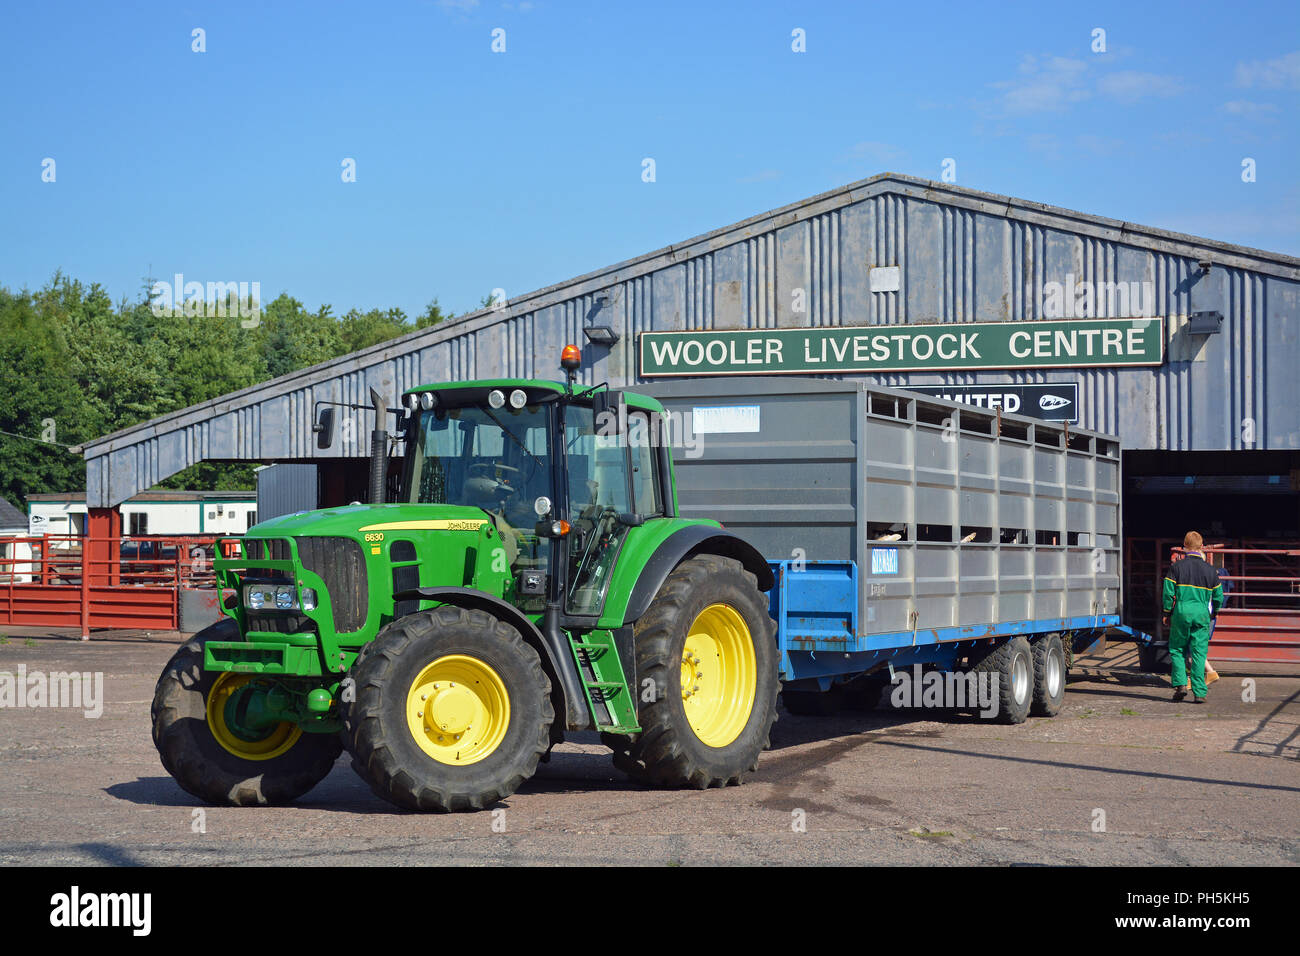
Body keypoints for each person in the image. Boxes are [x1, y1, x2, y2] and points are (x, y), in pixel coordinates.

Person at [1161, 531, 1224, 703]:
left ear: (1184, 546)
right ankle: (1200, 693)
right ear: (1201, 546)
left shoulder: (1176, 568)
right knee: (1198, 652)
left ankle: (1181, 684)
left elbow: (1168, 592)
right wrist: (1214, 612)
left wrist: (1167, 612)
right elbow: (1218, 596)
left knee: (1177, 649)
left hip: (1181, 612)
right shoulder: (1211, 571)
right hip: (1202, 613)